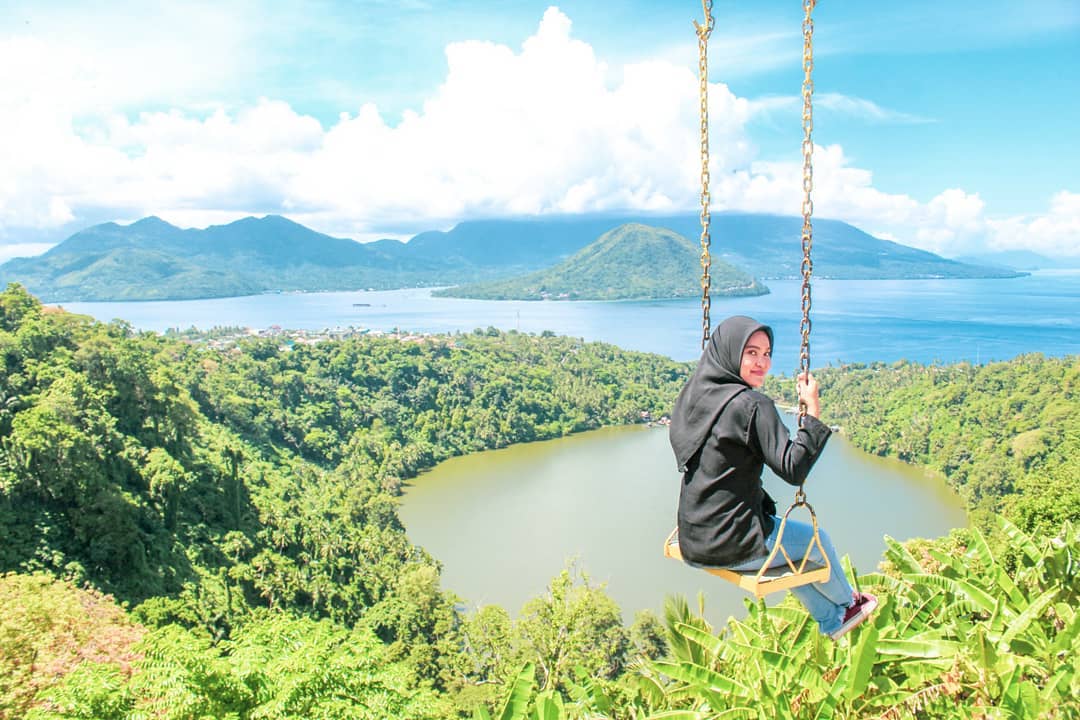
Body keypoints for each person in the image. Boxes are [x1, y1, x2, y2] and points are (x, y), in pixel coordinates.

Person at [669, 315, 876, 640]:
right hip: (735, 545)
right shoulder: (752, 405)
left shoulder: (695, 395)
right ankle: (849, 603)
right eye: (751, 352)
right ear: (731, 352)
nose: (761, 362)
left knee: (794, 564)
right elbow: (793, 469)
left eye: (766, 354)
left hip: (694, 539)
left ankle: (831, 621)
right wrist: (812, 412)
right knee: (817, 543)